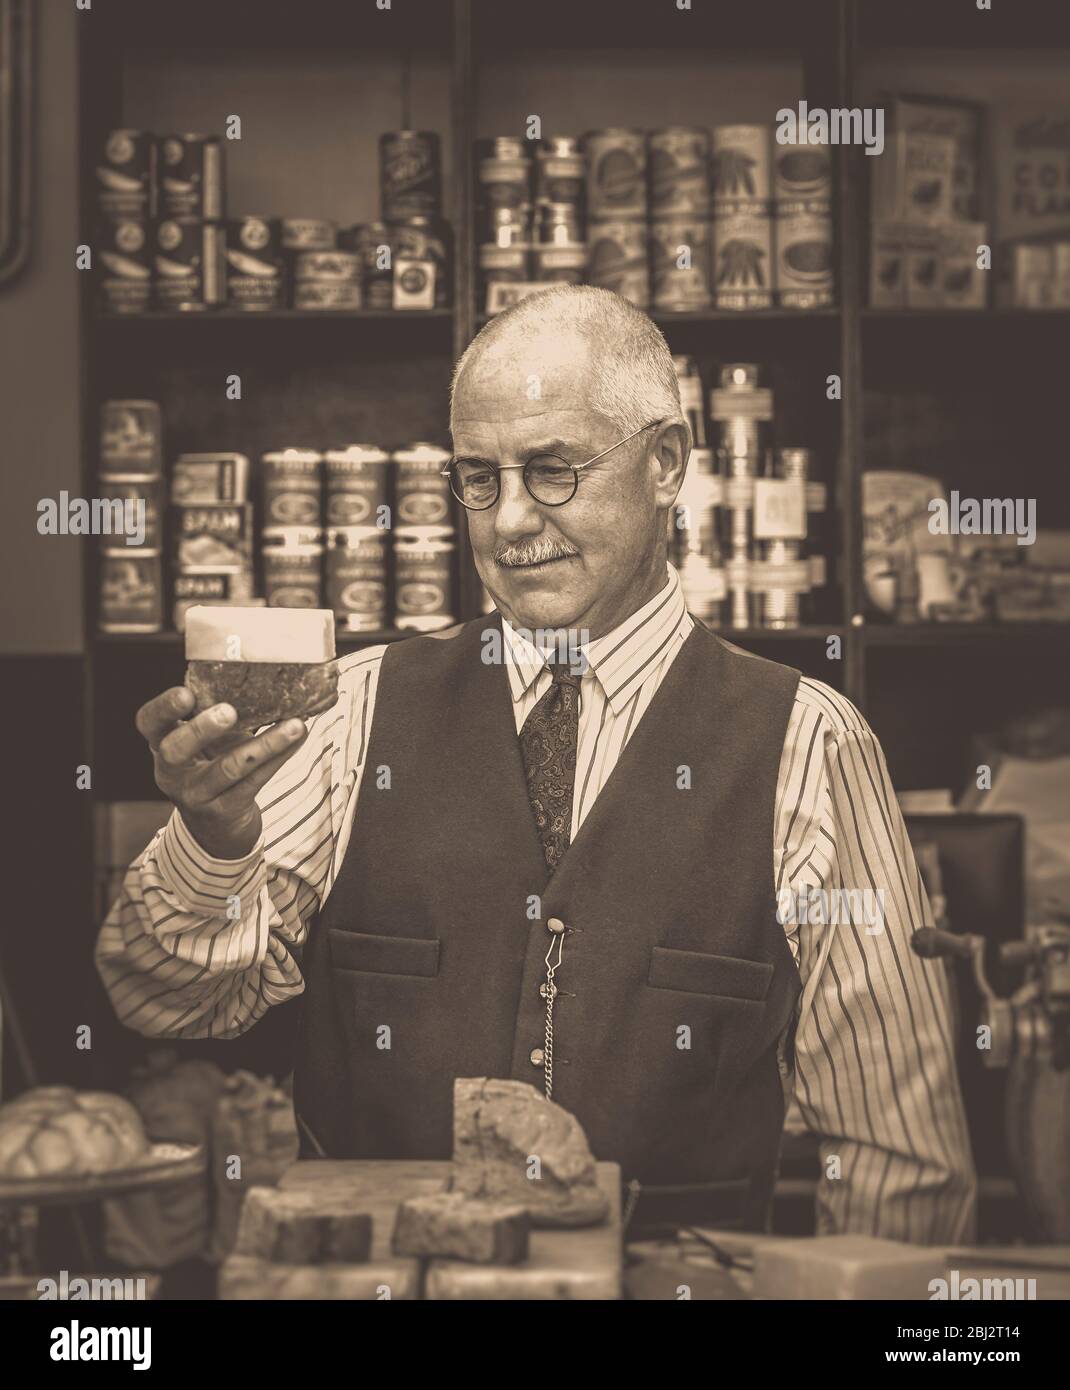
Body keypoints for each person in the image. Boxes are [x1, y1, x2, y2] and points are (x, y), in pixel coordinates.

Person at [97, 286, 975, 1241]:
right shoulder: (349, 708)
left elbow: (899, 1160)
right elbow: (165, 1003)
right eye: (480, 476)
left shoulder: (810, 741)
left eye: (554, 470)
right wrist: (212, 843)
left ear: (667, 463)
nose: (511, 519)